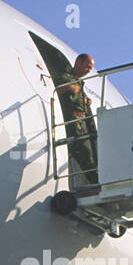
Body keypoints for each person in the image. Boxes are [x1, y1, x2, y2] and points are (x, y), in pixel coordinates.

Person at [53, 53, 98, 188]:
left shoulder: (79, 83)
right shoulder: (64, 77)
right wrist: (67, 87)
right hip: (72, 119)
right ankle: (95, 180)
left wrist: (86, 101)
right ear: (78, 62)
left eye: (90, 69)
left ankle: (93, 178)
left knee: (85, 149)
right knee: (83, 151)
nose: (88, 71)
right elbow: (55, 91)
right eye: (87, 67)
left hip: (81, 121)